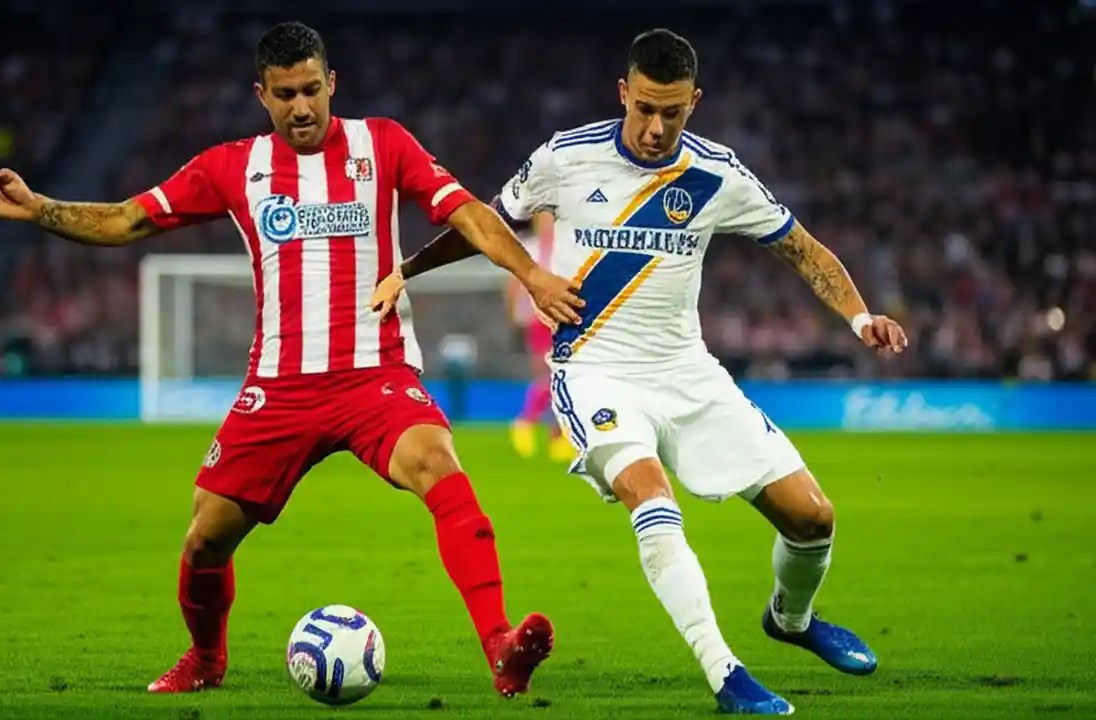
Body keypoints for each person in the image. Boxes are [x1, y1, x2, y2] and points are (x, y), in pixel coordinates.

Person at [0, 21, 583, 697]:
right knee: (205, 540)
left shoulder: (382, 144)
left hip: (372, 375)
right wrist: (39, 209)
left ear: (332, 84)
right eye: (285, 94)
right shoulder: (231, 166)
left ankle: (501, 646)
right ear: (261, 95)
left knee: (440, 467)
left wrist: (531, 274)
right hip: (279, 388)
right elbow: (127, 220)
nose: (301, 107)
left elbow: (466, 212)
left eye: (311, 90)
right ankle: (205, 659)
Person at [373, 29, 908, 715]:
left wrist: (861, 319)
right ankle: (726, 675)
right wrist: (409, 270)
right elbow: (483, 222)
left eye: (674, 113)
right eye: (645, 108)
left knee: (813, 520)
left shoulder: (720, 175)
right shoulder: (566, 158)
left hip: (688, 372)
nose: (656, 128)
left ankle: (791, 622)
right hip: (593, 370)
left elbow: (804, 251)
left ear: (696, 103)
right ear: (623, 92)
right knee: (654, 503)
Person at [506, 212, 571, 461]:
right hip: (539, 319)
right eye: (545, 220)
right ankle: (527, 421)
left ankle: (559, 433)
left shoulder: (569, 247)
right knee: (548, 374)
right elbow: (514, 282)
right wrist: (515, 313)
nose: (549, 224)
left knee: (565, 375)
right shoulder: (531, 248)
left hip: (565, 316)